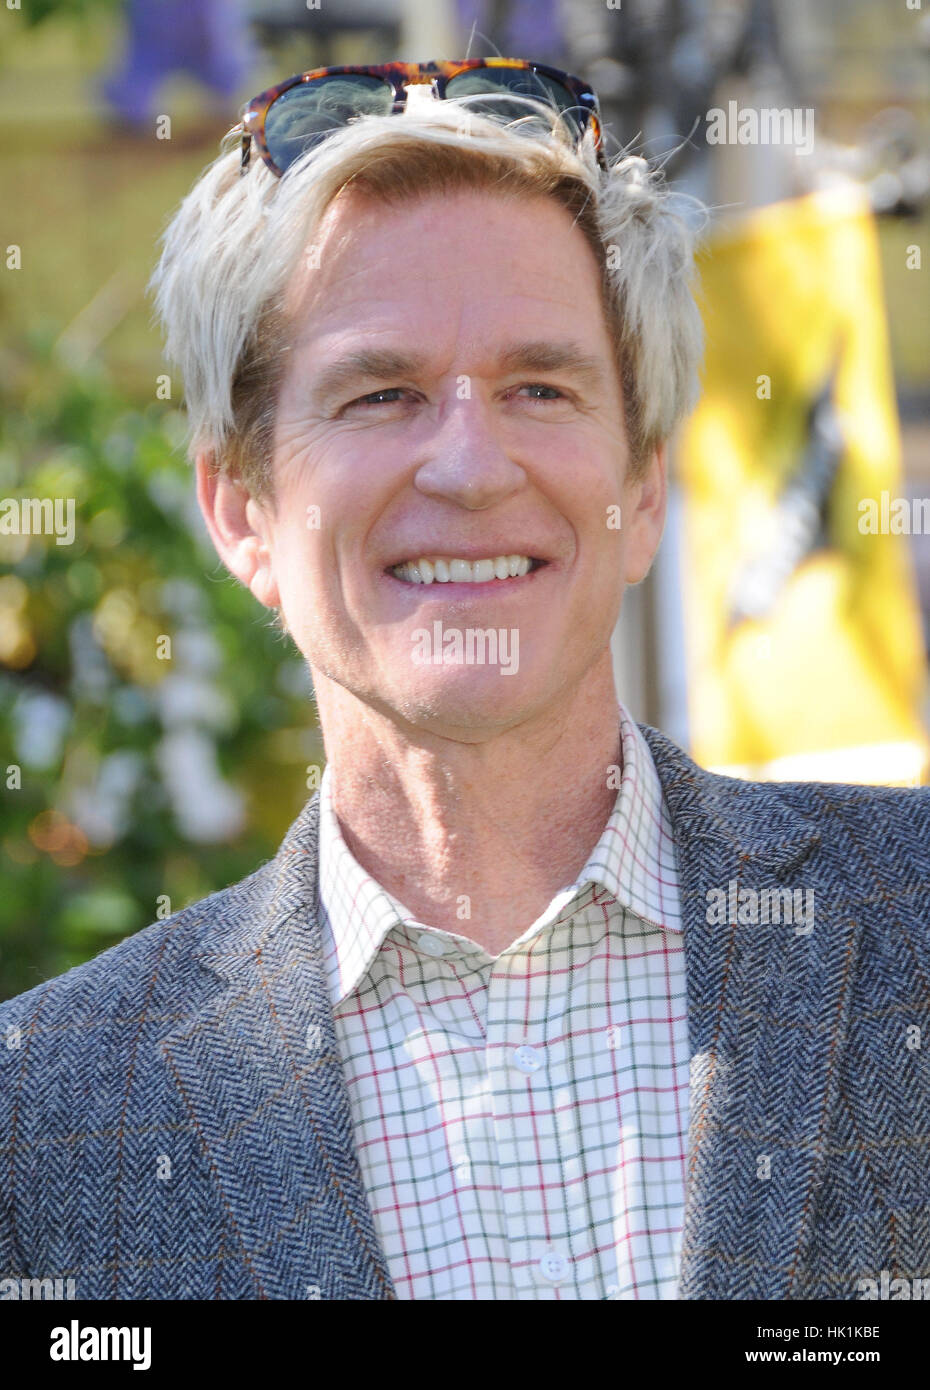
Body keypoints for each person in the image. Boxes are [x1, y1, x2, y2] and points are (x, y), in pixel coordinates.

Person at [1, 60, 928, 1302]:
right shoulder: (48, 1122)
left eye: (539, 387)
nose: (472, 464)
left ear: (645, 486)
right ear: (240, 508)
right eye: (380, 394)